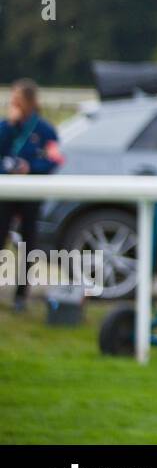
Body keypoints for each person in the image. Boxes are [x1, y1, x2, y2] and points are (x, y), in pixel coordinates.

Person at [0, 79, 64, 311]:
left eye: (17, 100)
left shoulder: (45, 130)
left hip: (31, 193)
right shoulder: (6, 127)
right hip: (7, 192)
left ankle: (20, 295)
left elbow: (54, 159)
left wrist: (31, 167)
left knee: (28, 244)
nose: (13, 104)